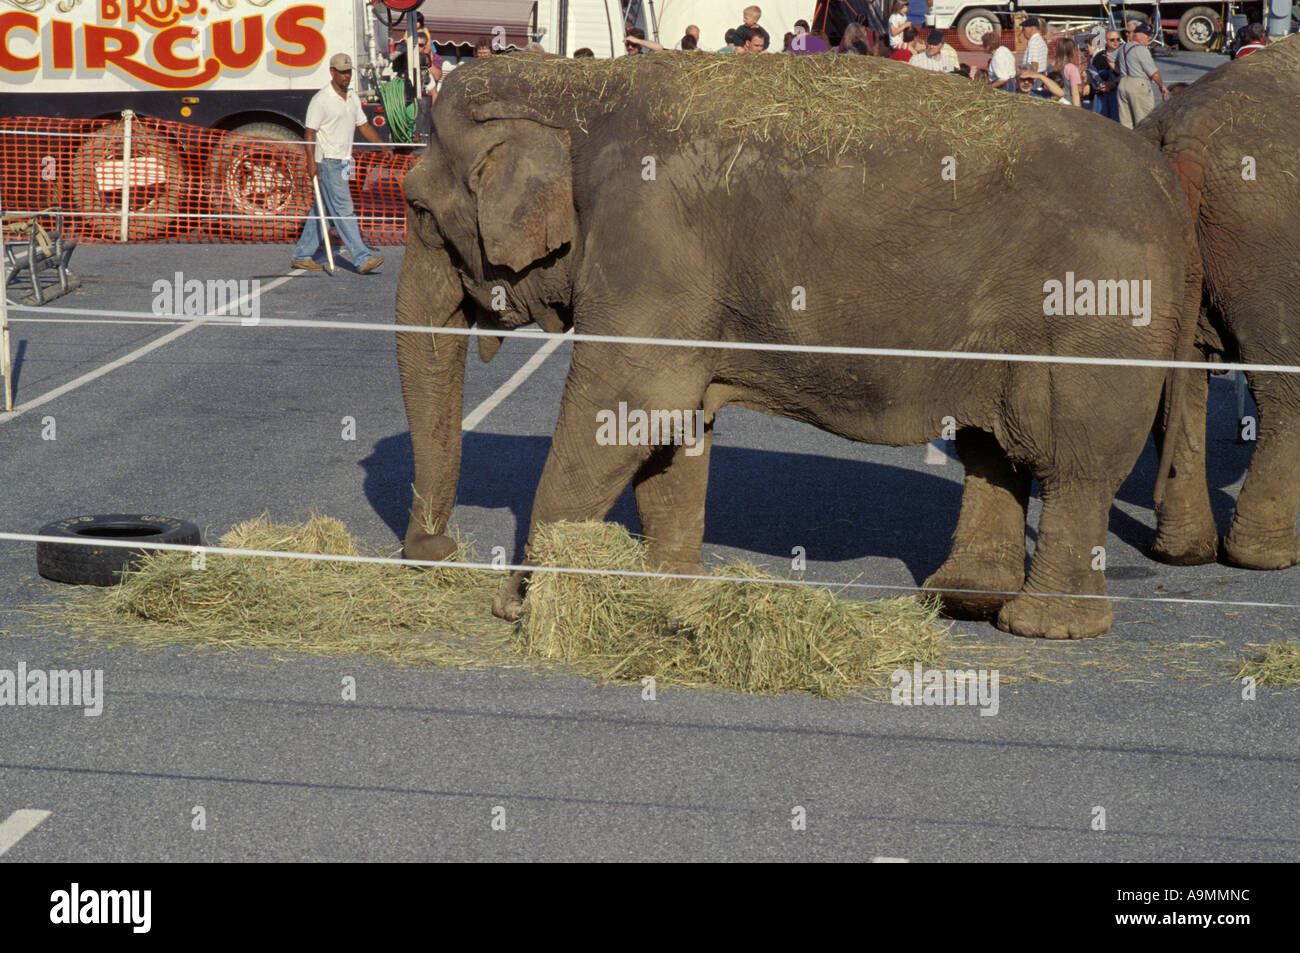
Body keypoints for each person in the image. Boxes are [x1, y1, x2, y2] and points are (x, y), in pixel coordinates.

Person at [291, 53, 384, 274]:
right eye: (342, 72)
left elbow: (363, 125)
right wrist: (312, 162)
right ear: (332, 72)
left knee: (321, 209)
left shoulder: (351, 97)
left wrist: (383, 146)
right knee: (344, 210)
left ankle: (301, 255)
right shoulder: (321, 99)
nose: (346, 76)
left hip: (344, 162)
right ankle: (362, 258)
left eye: (349, 72)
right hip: (328, 162)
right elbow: (310, 132)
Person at [1115, 23, 1167, 129]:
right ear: (1139, 35)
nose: (1150, 38)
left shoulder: (1122, 48)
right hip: (1138, 86)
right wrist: (1161, 85)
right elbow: (1153, 73)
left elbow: (1111, 60)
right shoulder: (1141, 49)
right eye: (1147, 35)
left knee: (1126, 125)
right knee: (1144, 123)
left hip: (1122, 84)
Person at [1091, 29, 1121, 120]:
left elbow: (1127, 73)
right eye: (1112, 40)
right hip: (1102, 93)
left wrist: (1113, 84)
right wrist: (1102, 86)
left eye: (1118, 39)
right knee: (1102, 120)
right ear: (1105, 41)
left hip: (1118, 93)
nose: (1115, 42)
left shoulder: (1123, 54)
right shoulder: (1099, 56)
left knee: (1117, 121)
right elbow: (1092, 73)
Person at [1050, 35, 1084, 107]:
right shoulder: (1071, 68)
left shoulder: (1050, 66)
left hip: (1054, 103)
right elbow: (1075, 93)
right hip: (1068, 104)